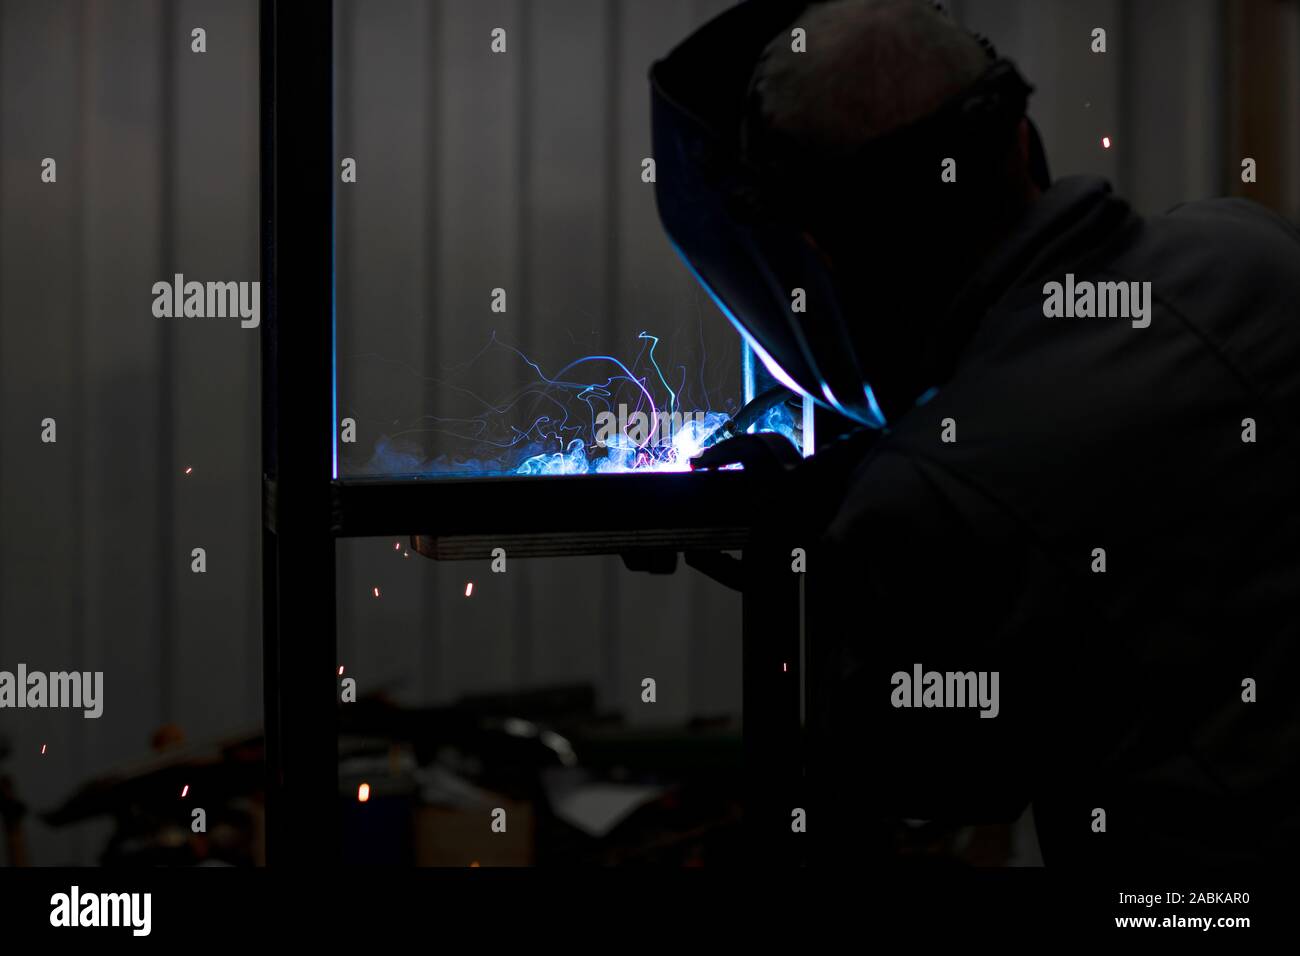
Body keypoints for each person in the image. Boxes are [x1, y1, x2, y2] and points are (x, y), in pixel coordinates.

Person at [654, 0, 1300, 866]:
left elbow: (934, 778)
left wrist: (836, 572)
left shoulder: (927, 500)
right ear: (1021, 137)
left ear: (826, 245)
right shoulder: (1255, 247)